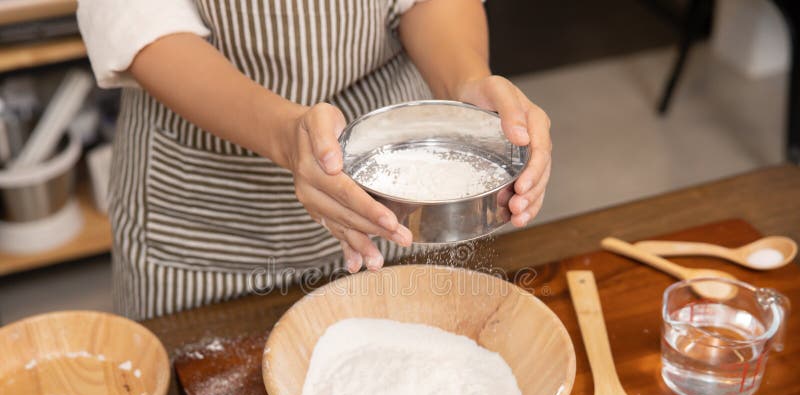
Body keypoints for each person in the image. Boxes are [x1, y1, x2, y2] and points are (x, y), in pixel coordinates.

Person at [77, 0, 552, 320]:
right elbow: (139, 23)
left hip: (394, 181)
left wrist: (466, 86)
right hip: (206, 213)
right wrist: (287, 136)